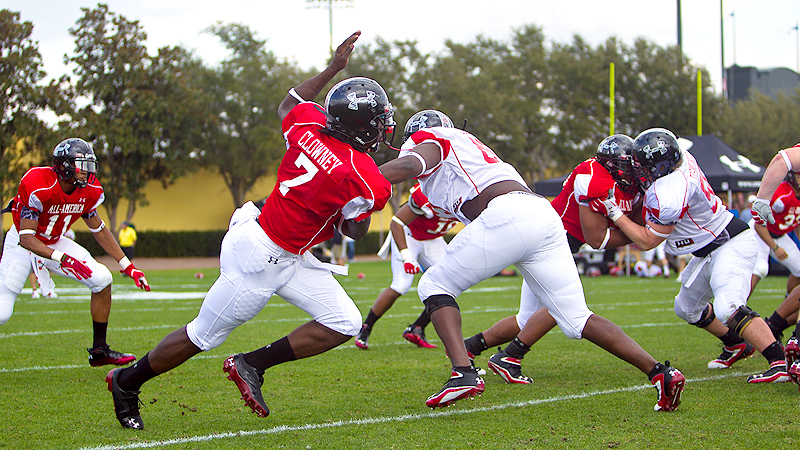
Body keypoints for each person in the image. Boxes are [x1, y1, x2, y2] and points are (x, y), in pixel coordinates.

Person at [104, 31, 394, 430]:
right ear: (361, 125)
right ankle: (125, 380)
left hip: (273, 240)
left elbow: (289, 102)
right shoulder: (363, 176)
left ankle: (251, 365)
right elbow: (354, 230)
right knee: (202, 336)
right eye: (379, 122)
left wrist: (332, 69)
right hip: (262, 258)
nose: (384, 129)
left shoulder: (308, 124)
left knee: (343, 321)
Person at [380, 122, 684, 411]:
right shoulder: (467, 155)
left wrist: (364, 179)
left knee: (433, 285)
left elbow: (409, 165)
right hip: (542, 216)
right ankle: (660, 373)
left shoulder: (431, 140)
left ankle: (464, 371)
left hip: (509, 215)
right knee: (577, 318)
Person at [594, 128, 788, 383]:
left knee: (727, 306)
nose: (640, 171)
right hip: (707, 248)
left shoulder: (670, 189)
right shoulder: (679, 160)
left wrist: (614, 212)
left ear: (661, 167)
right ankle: (736, 344)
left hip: (730, 243)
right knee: (685, 308)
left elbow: (648, 241)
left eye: (644, 166)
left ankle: (779, 362)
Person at [462, 135, 649, 384]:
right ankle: (509, 357)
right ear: (612, 164)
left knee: (528, 319)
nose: (632, 172)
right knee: (562, 307)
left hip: (553, 242)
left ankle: (472, 348)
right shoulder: (592, 175)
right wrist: (640, 236)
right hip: (548, 240)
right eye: (627, 165)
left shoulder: (627, 183)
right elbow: (596, 239)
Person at [0, 138, 150, 368]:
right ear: (64, 165)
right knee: (2, 313)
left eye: (90, 165)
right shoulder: (39, 183)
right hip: (22, 243)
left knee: (102, 279)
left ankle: (99, 351)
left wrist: (127, 266)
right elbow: (27, 238)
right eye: (82, 165)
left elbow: (99, 229)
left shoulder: (89, 190)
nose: (88, 172)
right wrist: (62, 258)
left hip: (55, 241)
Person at [356, 113, 459, 351]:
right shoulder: (425, 192)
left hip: (433, 240)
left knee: (451, 284)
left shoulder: (461, 187)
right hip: (409, 238)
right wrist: (407, 256)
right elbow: (397, 222)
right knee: (401, 285)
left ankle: (417, 327)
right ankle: (365, 328)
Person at [28, 228, 76, 298]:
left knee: (45, 267)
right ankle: (34, 290)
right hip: (39, 246)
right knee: (34, 268)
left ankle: (48, 290)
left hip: (49, 248)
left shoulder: (68, 230)